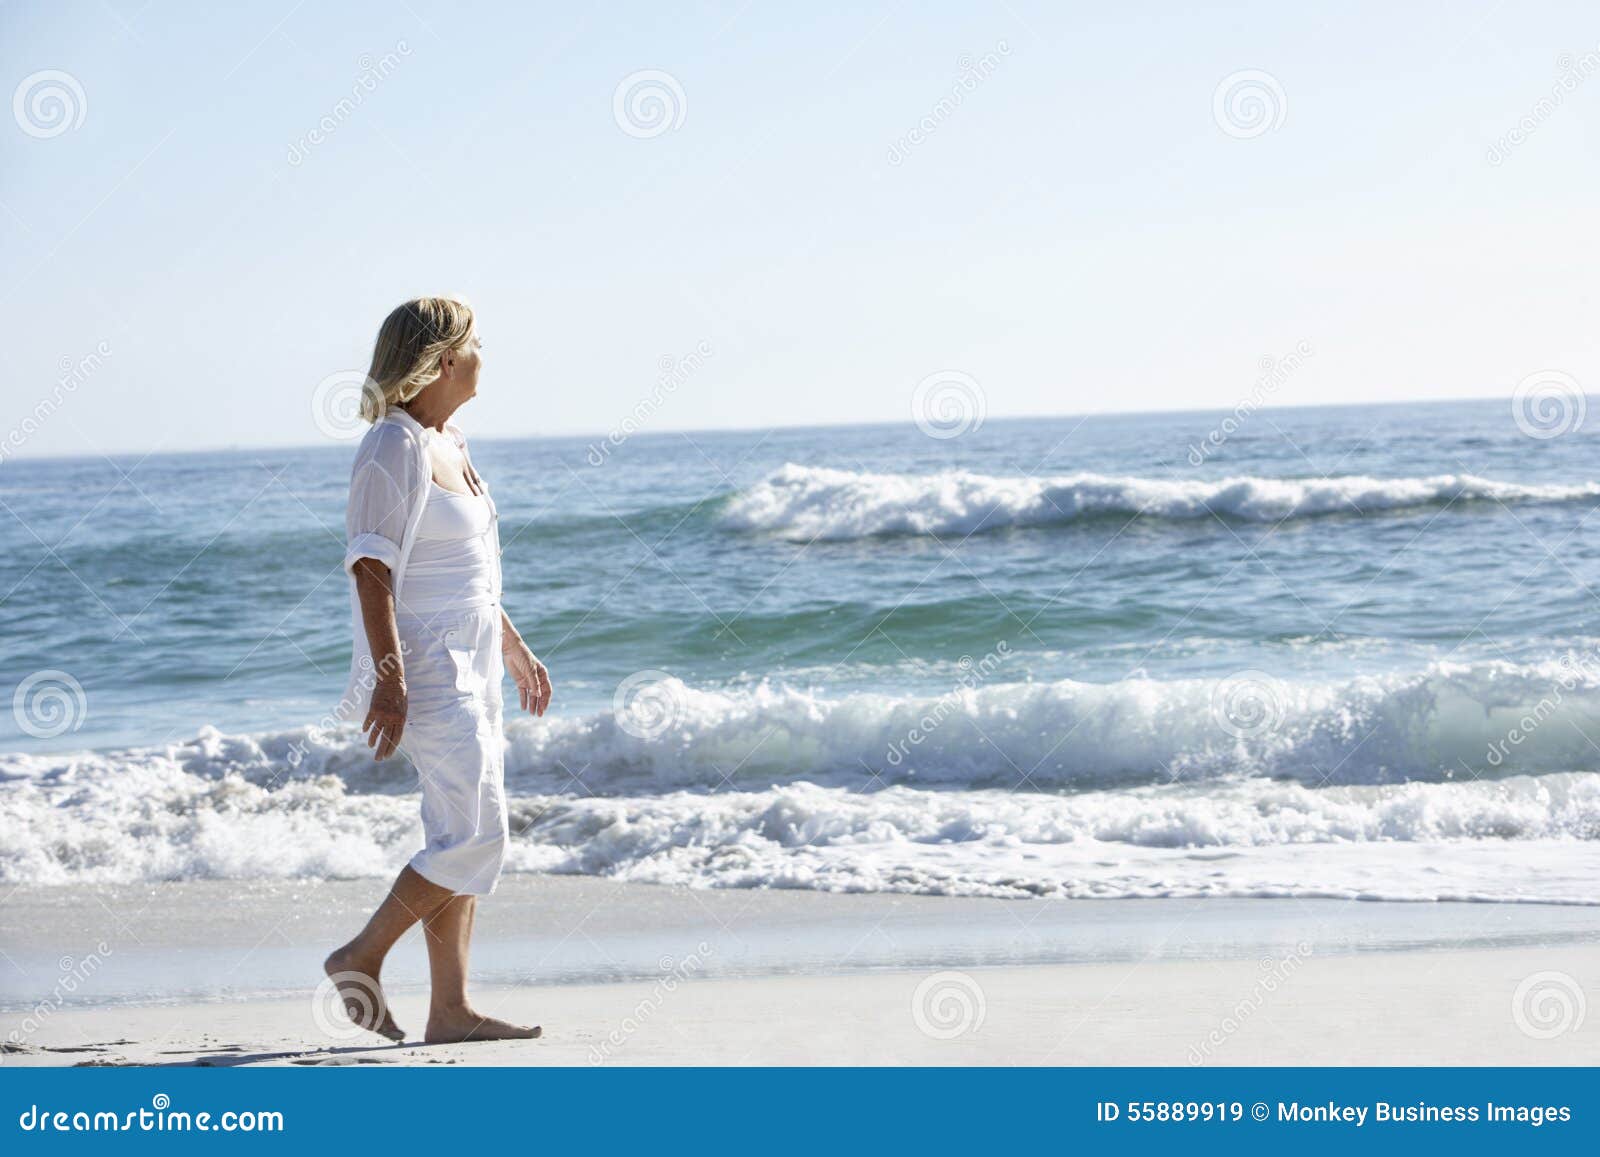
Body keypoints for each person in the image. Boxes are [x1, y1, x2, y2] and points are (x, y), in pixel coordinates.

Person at [323, 296, 552, 1044]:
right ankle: (360, 955)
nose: (486, 353)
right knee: (477, 834)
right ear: (444, 359)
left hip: (474, 662)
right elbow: (370, 568)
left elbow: (471, 572)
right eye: (476, 341)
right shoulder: (394, 446)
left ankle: (450, 1009)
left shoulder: (448, 438)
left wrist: (513, 645)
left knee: (458, 829)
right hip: (425, 670)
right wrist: (389, 678)